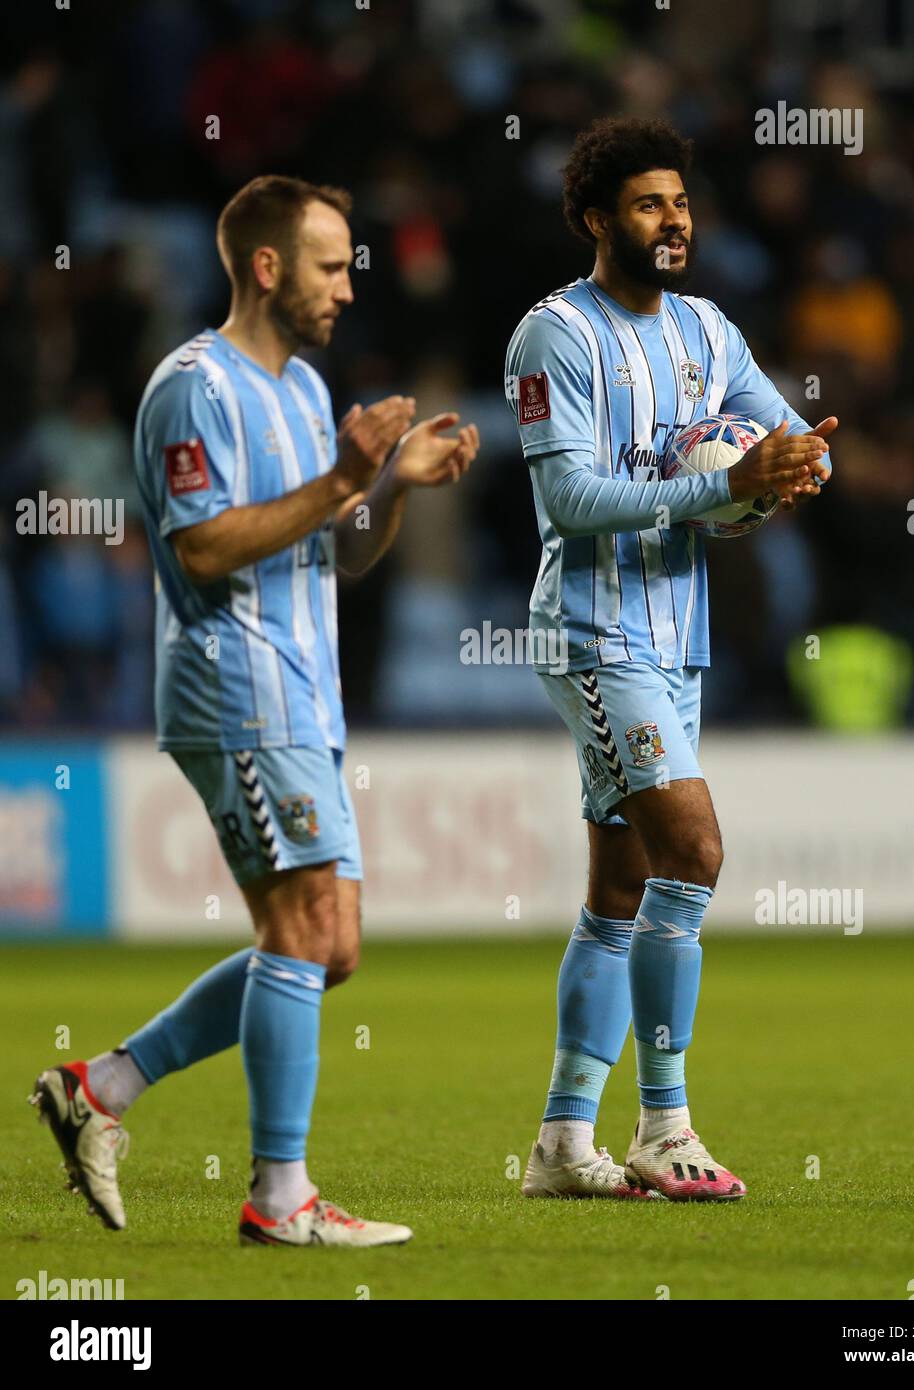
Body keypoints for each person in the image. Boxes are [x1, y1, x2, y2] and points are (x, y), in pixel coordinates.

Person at [30, 174, 479, 1248]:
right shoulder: (195, 386)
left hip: (301, 688)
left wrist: (390, 483)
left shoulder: (305, 391)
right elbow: (201, 545)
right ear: (268, 267)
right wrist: (339, 482)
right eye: (332, 266)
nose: (348, 290)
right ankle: (281, 1196)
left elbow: (340, 553)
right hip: (234, 686)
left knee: (331, 946)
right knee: (299, 928)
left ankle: (103, 1086)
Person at [504, 118, 834, 1201]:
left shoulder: (706, 329)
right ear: (598, 219)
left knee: (623, 883)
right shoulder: (555, 336)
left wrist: (795, 463)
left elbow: (786, 435)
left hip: (675, 633)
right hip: (596, 633)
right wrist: (726, 489)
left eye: (681, 202)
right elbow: (570, 499)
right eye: (649, 204)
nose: (675, 219)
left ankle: (561, 1141)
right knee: (692, 853)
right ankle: (663, 1124)